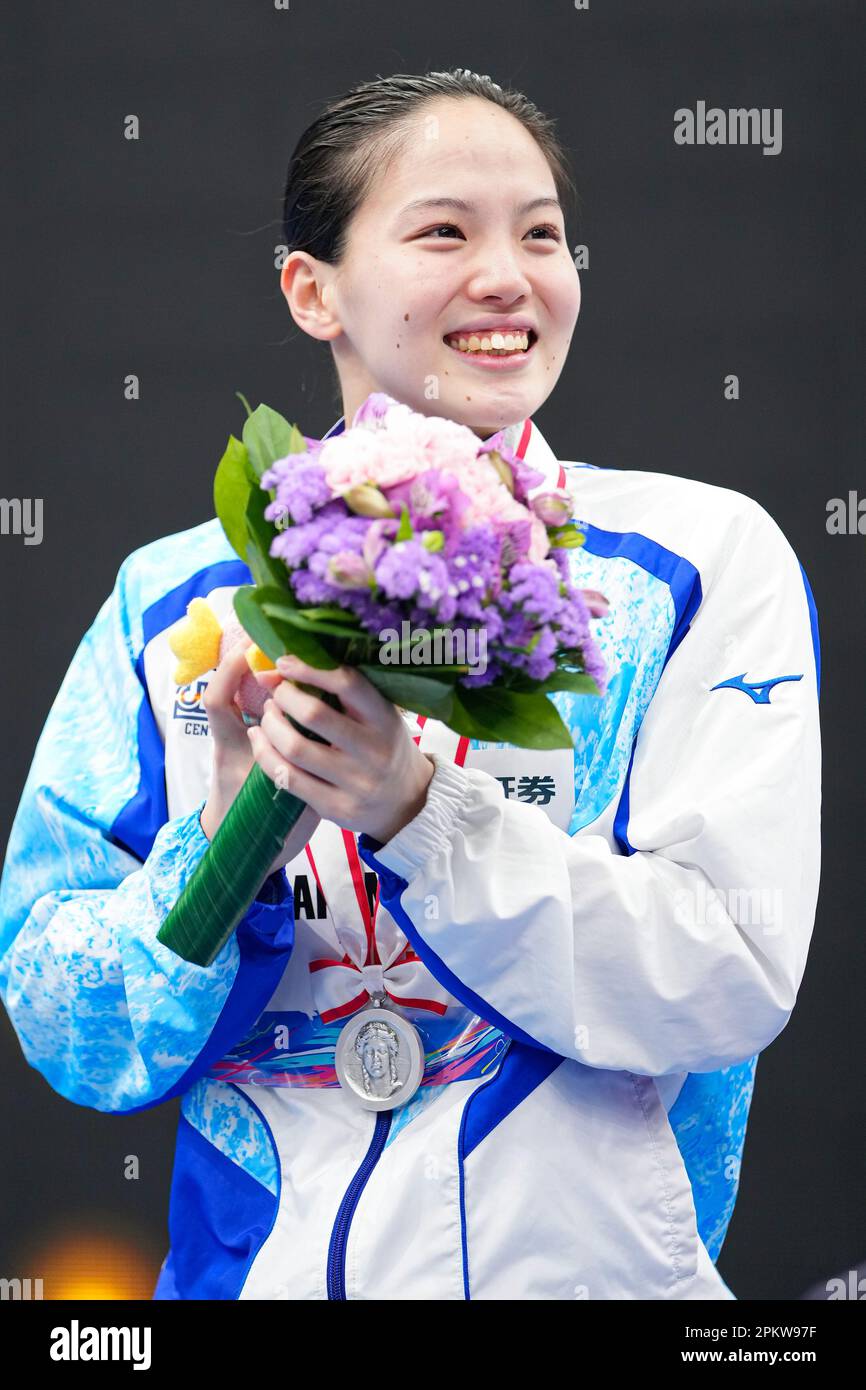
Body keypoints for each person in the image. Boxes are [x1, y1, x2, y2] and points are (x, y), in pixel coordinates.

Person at [0, 68, 821, 1301]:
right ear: (310, 287)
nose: (509, 276)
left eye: (541, 234)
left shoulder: (690, 563)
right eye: (444, 229)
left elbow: (728, 973)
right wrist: (220, 851)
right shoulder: (175, 602)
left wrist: (416, 813)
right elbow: (74, 1034)